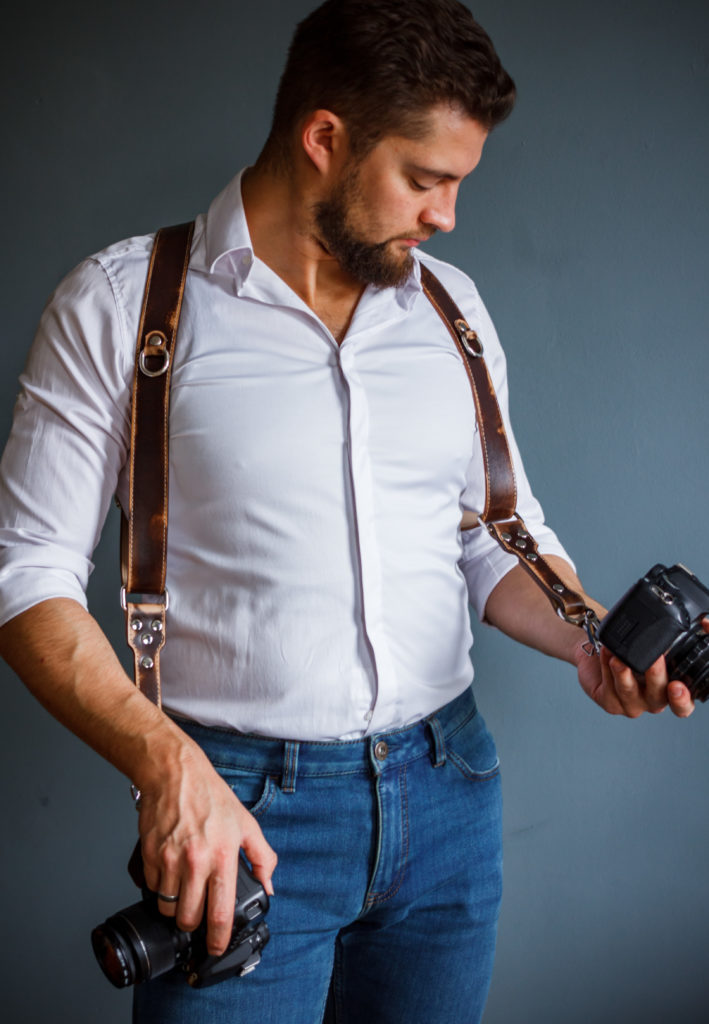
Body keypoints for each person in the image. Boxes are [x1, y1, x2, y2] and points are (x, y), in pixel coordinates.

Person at [0, 1, 696, 1022]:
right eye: (426, 178)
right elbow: (25, 568)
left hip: (448, 787)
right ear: (324, 138)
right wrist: (165, 763)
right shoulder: (120, 306)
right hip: (235, 806)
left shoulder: (452, 311)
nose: (448, 214)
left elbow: (489, 532)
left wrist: (593, 635)